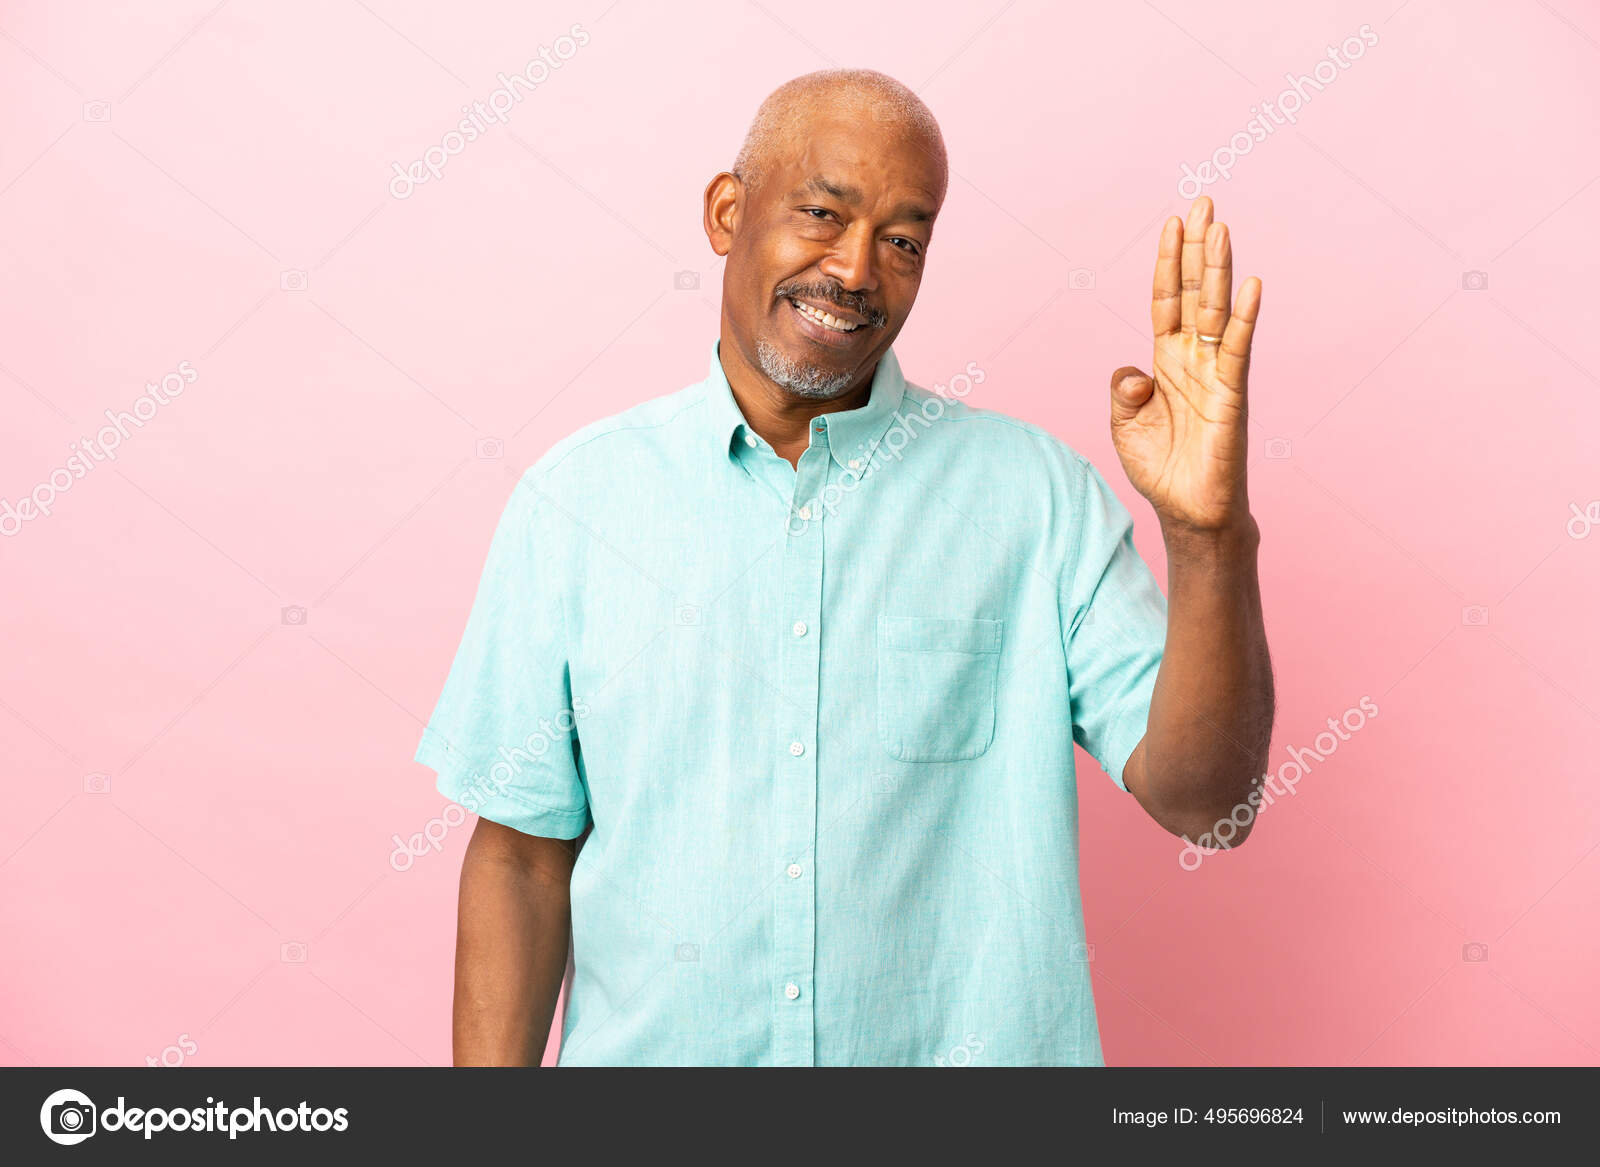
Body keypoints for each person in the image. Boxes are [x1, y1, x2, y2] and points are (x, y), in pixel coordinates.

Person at [416, 68, 1274, 1066]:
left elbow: (1210, 806)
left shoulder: (1036, 500)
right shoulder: (576, 504)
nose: (857, 269)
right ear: (728, 212)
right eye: (822, 213)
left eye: (903, 240)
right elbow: (521, 860)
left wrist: (1209, 538)